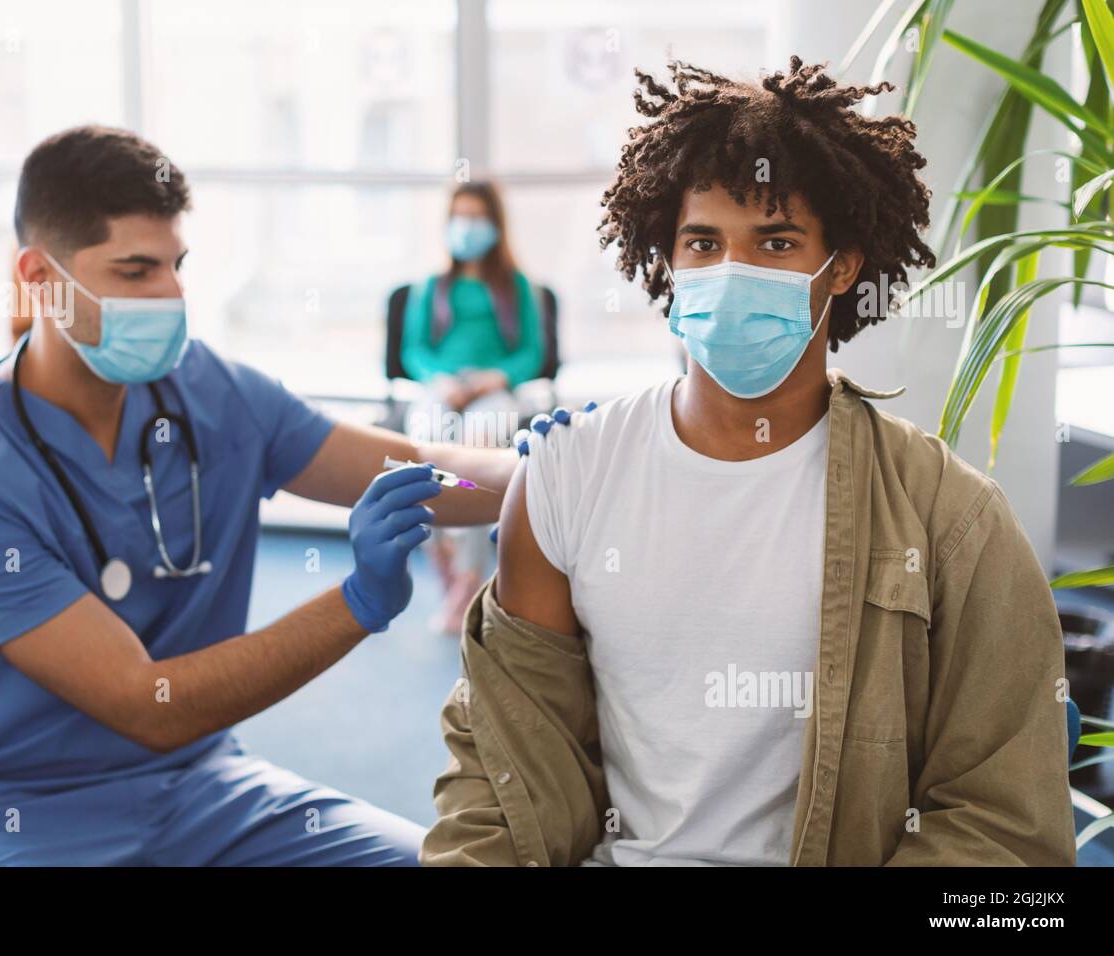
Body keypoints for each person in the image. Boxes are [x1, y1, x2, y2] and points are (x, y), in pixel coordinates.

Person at [421, 58, 1077, 867]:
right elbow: (501, 776)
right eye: (703, 242)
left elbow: (1005, 828)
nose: (733, 273)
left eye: (775, 241)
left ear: (842, 266)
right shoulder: (563, 481)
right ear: (665, 260)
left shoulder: (950, 518)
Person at [0, 125, 577, 867]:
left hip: (202, 790)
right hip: (11, 816)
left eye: (177, 265)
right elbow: (145, 702)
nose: (172, 295)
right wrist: (358, 603)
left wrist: (554, 468)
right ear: (39, 277)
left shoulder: (210, 392)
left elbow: (416, 464)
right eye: (136, 269)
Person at [400, 181, 546, 634]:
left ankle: (468, 577)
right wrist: (441, 383)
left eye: (476, 217)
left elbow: (532, 352)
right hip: (441, 390)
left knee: (478, 454)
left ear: (494, 225)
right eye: (459, 217)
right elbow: (414, 350)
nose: (467, 228)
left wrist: (495, 378)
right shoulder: (431, 287)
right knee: (425, 453)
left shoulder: (517, 286)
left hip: (494, 391)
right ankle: (441, 558)